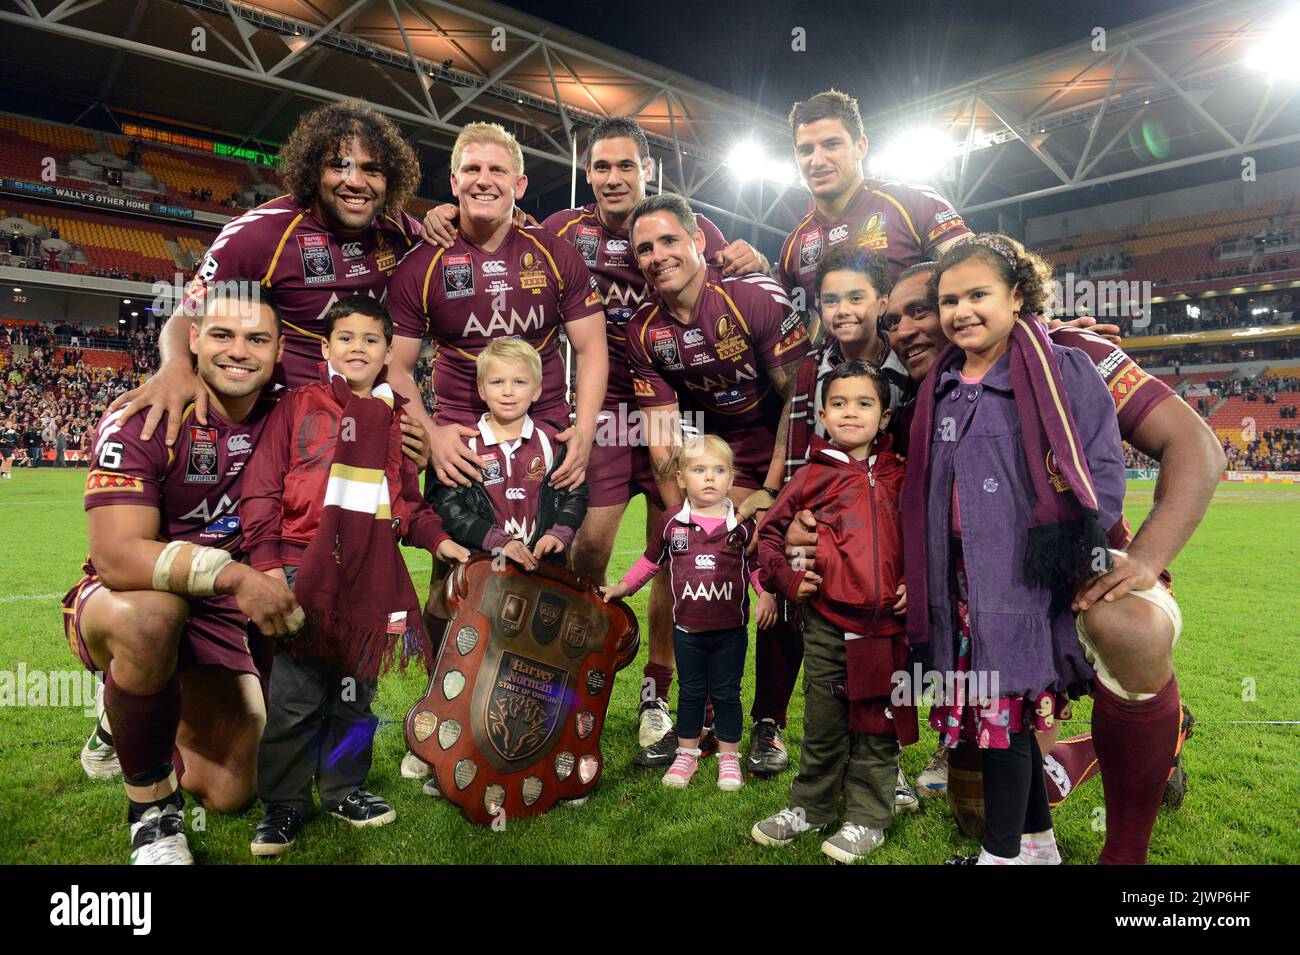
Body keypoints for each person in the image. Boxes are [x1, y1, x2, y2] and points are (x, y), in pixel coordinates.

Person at [881, 261, 1213, 859]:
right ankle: (1038, 839)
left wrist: (1140, 558)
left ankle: (1125, 844)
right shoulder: (927, 387)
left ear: (1016, 298)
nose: (907, 328)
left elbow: (1193, 447)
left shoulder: (1069, 352)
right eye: (894, 320)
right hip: (972, 583)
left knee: (1113, 632)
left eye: (920, 309)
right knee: (984, 774)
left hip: (1076, 560)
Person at [538, 117, 765, 751]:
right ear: (588, 175)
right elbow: (497, 241)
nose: (615, 178)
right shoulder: (559, 231)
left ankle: (657, 693)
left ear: (648, 172)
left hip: (677, 403)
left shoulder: (687, 226)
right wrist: (440, 218)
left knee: (678, 539)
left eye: (627, 167)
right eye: (603, 167)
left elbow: (730, 275)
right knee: (588, 547)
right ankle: (568, 677)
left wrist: (755, 254)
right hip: (604, 405)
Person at [901, 234, 1125, 865]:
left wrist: (1077, 556)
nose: (961, 311)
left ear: (1018, 295)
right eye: (949, 300)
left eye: (979, 294)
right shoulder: (940, 384)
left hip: (1023, 581)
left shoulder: (1062, 370)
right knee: (1000, 716)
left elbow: (1102, 470)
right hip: (959, 584)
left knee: (1008, 713)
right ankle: (1036, 848)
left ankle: (999, 857)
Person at [60, 293, 302, 865]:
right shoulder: (142, 417)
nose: (239, 352)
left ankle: (121, 718)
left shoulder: (292, 415)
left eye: (257, 340)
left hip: (220, 610)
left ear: (280, 350)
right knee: (151, 619)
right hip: (130, 594)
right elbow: (117, 556)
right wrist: (234, 573)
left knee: (231, 791)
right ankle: (153, 814)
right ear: (192, 339)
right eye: (222, 335)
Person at [240, 296, 469, 857]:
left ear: (389, 351)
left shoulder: (398, 422)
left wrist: (441, 541)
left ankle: (345, 787)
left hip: (370, 572)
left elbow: (406, 504)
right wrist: (268, 564)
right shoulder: (298, 404)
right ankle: (285, 803)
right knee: (295, 693)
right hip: (303, 563)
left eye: (371, 340)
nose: (357, 348)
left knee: (356, 692)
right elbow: (263, 488)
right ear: (325, 347)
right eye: (346, 338)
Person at [110, 100, 433, 463]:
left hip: (368, 427)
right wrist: (174, 368)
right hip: (281, 432)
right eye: (339, 166)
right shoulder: (259, 235)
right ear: (312, 170)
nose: (356, 181)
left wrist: (449, 217)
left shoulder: (401, 232)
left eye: (372, 170)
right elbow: (188, 314)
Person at [625, 192, 809, 776]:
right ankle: (696, 708)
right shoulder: (643, 331)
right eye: (645, 249)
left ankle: (768, 723)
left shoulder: (752, 295)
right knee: (692, 556)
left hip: (790, 445)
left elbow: (798, 400)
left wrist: (769, 492)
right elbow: (661, 441)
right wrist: (695, 518)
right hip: (715, 460)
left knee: (783, 570)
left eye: (669, 241)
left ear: (699, 240)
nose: (658, 256)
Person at [752, 360, 913, 862]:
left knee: (876, 726)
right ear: (822, 414)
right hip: (826, 624)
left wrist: (917, 584)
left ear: (884, 417)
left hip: (886, 630)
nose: (850, 413)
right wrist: (790, 580)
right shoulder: (809, 478)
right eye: (839, 403)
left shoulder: (903, 474)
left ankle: (869, 818)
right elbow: (770, 539)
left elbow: (927, 539)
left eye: (864, 403)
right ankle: (812, 807)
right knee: (823, 722)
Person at [601, 435, 775, 790]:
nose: (709, 478)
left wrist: (766, 596)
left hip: (730, 632)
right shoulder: (671, 523)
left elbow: (756, 568)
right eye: (699, 470)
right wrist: (623, 587)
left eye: (718, 470)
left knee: (727, 694)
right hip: (687, 633)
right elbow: (650, 564)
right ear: (681, 478)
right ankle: (686, 755)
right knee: (691, 694)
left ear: (730, 478)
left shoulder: (740, 526)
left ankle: (729, 758)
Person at [778, 90, 971, 322]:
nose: (817, 161)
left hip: (924, 356)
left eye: (831, 144)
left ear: (861, 146)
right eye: (806, 150)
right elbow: (795, 332)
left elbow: (979, 276)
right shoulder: (793, 247)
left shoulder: (915, 203)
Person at [428, 337, 588, 573]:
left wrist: (560, 532)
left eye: (519, 382)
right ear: (481, 390)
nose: (508, 391)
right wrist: (495, 541)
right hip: (481, 568)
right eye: (497, 382)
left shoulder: (554, 441)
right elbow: (448, 506)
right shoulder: (465, 446)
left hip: (542, 566)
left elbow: (575, 493)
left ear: (536, 391)